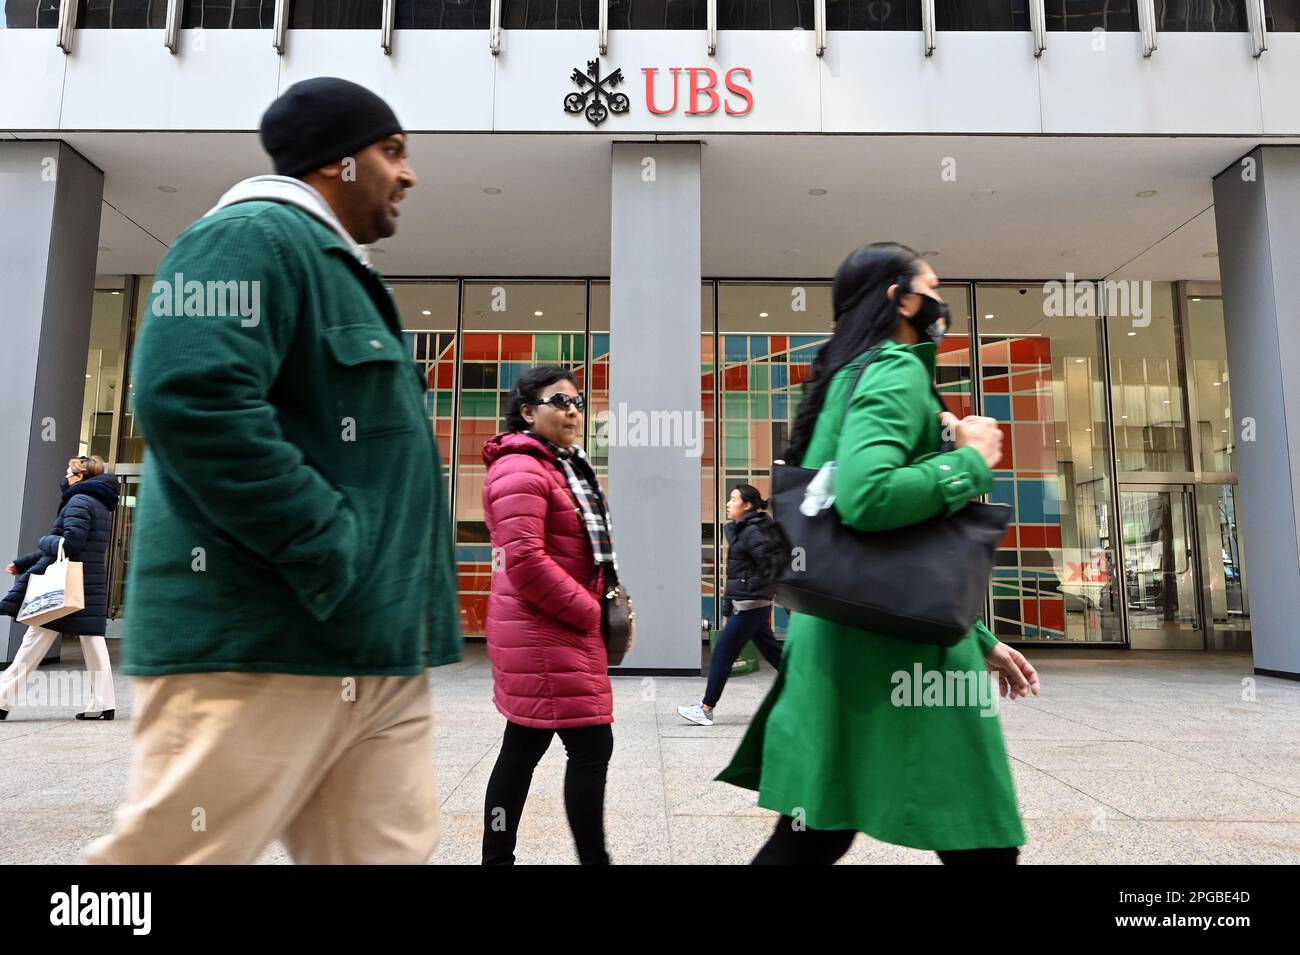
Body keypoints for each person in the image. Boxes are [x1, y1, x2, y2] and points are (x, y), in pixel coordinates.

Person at [83, 77, 461, 865]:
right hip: (259, 644)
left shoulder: (340, 271)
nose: (410, 174)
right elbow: (190, 396)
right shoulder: (249, 238)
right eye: (392, 152)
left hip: (374, 655)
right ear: (336, 162)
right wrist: (327, 543)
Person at [717, 242, 1040, 865]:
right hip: (898, 657)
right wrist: (970, 461)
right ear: (902, 297)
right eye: (933, 287)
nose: (943, 303)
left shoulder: (846, 377)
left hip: (845, 639)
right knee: (981, 838)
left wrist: (980, 639)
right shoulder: (895, 368)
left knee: (817, 831)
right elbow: (868, 498)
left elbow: (885, 549)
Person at [479, 366, 617, 865]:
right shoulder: (522, 468)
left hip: (551, 627)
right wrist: (590, 612)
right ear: (527, 412)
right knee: (591, 745)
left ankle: (496, 859)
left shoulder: (560, 465)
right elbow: (526, 561)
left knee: (523, 744)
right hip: (546, 629)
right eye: (559, 401)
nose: (573, 410)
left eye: (578, 401)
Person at [1, 456, 118, 720]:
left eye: (68, 473)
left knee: (33, 642)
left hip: (66, 585)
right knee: (93, 642)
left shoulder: (78, 501)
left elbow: (71, 543)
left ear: (79, 478)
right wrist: (23, 563)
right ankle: (104, 702)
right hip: (86, 582)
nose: (64, 478)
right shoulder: (100, 504)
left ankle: (2, 698)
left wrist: (44, 539)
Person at [678, 484, 783, 726]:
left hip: (751, 603)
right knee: (775, 655)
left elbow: (770, 566)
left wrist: (752, 588)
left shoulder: (753, 532)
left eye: (733, 499)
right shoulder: (742, 530)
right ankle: (809, 693)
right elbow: (741, 571)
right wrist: (730, 604)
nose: (728, 503)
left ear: (747, 505)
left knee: (723, 652)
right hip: (750, 602)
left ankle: (706, 709)